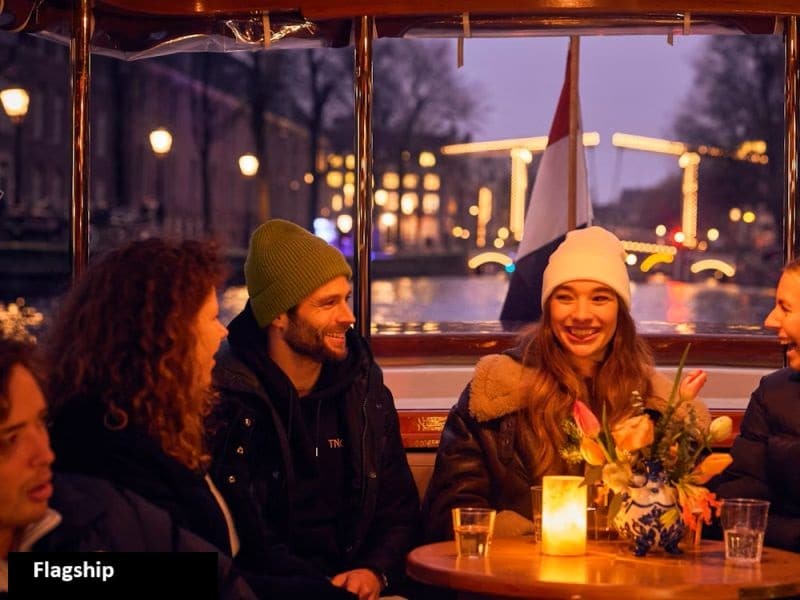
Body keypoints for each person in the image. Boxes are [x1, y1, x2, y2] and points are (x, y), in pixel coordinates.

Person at [43, 238, 350, 597]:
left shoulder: (178, 422)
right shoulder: (104, 448)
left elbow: (256, 553)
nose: (223, 331)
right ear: (163, 337)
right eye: (211, 318)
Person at [421, 226, 711, 542]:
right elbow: (448, 515)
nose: (581, 315)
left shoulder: (662, 406)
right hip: (518, 582)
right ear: (548, 308)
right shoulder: (494, 391)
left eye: (600, 298)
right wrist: (535, 543)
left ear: (620, 310)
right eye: (565, 298)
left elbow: (693, 518)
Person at [211, 219, 421, 600]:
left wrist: (374, 573)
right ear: (277, 315)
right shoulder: (229, 398)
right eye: (328, 303)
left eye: (346, 298)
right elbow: (245, 536)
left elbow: (399, 510)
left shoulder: (365, 389)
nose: (348, 316)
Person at [0, 336, 259, 598]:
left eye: (41, 422)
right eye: (10, 439)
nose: (45, 455)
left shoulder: (98, 517)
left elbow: (221, 584)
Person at [707, 258, 800, 551]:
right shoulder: (773, 394)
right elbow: (744, 494)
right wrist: (685, 499)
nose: (770, 320)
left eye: (785, 308)